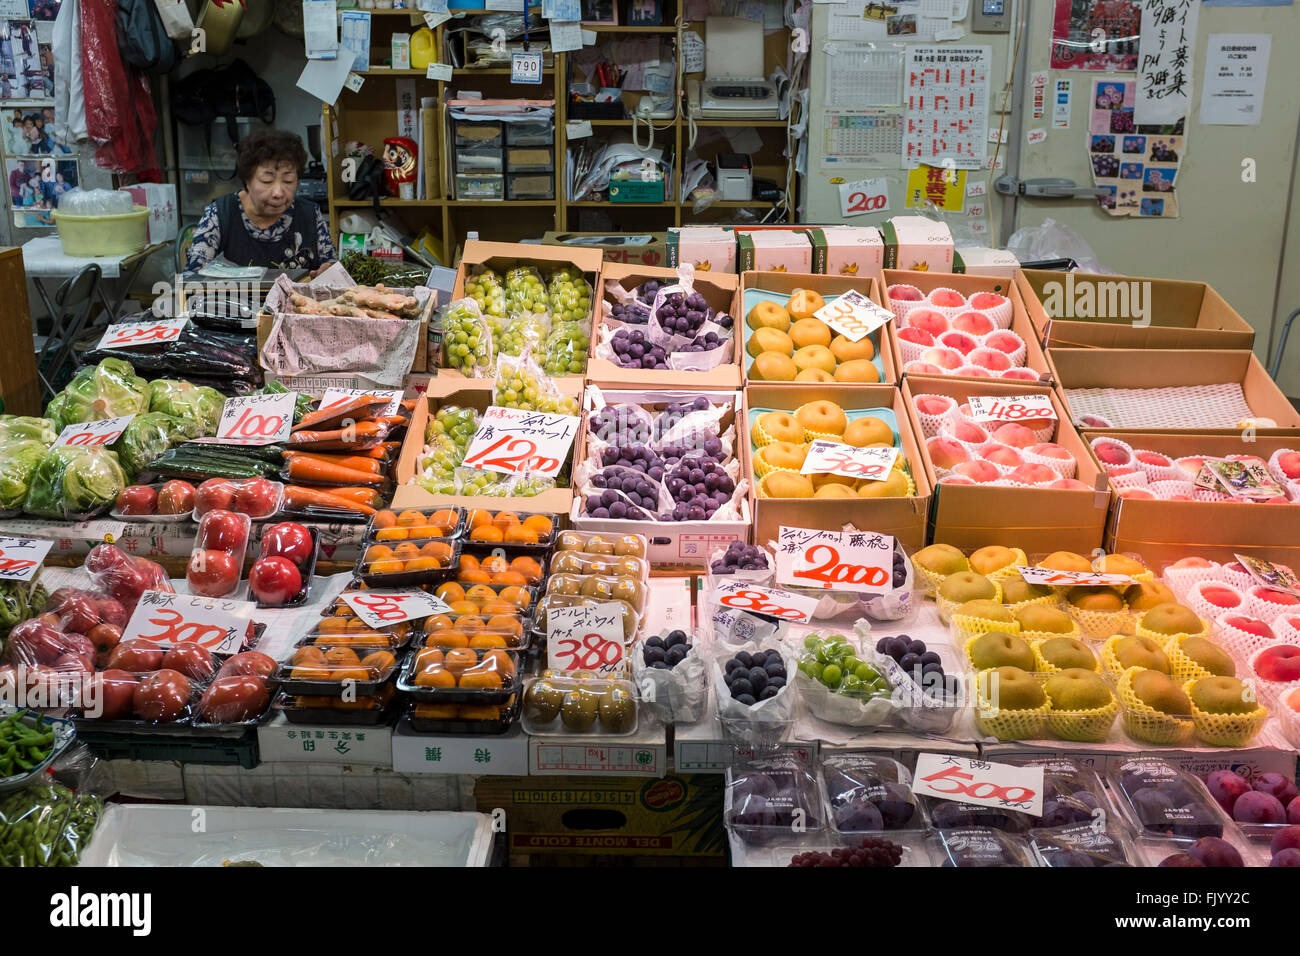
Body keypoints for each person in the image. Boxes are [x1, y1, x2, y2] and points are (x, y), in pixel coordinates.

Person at [185, 128, 336, 275]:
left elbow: (332, 267)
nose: (278, 193)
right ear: (247, 181)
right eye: (267, 181)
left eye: (288, 181)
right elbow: (193, 279)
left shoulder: (310, 214)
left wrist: (329, 271)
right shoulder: (220, 214)